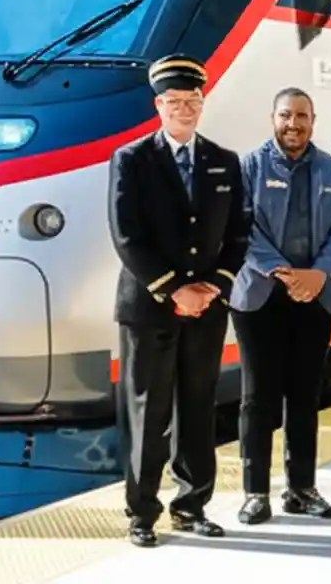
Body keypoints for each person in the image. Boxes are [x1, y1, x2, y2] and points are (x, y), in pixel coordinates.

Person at [107, 54, 249, 547]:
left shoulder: (224, 161)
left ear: (202, 104)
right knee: (149, 412)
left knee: (197, 406)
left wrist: (212, 286)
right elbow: (126, 235)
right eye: (175, 102)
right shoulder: (132, 159)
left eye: (193, 101)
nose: (184, 109)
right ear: (158, 106)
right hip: (149, 308)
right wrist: (174, 289)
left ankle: (191, 506)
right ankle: (142, 514)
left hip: (206, 308)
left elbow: (238, 233)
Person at [231, 86, 331, 524]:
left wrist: (318, 273)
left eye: (302, 116)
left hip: (314, 298)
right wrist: (285, 273)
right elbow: (242, 226)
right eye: (286, 115)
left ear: (313, 121)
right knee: (257, 397)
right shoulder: (251, 166)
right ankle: (255, 492)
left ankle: (301, 488)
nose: (294, 124)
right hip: (261, 297)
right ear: (273, 118)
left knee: (304, 395)